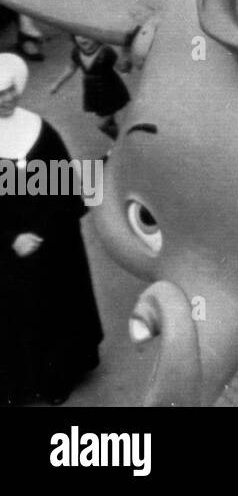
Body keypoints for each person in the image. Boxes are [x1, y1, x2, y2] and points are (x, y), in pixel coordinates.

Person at [0, 54, 102, 406]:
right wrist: (11, 240)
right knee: (21, 314)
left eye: (10, 90)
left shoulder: (39, 129)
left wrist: (48, 229)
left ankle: (61, 377)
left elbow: (66, 183)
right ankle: (29, 382)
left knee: (58, 305)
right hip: (11, 250)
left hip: (54, 238)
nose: (7, 98)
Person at [49, 35, 130, 140]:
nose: (83, 38)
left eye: (86, 35)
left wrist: (126, 54)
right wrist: (57, 83)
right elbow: (71, 68)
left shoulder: (106, 51)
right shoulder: (76, 51)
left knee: (102, 124)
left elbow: (123, 68)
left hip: (110, 91)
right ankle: (119, 139)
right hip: (93, 91)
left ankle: (121, 140)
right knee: (108, 120)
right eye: (78, 35)